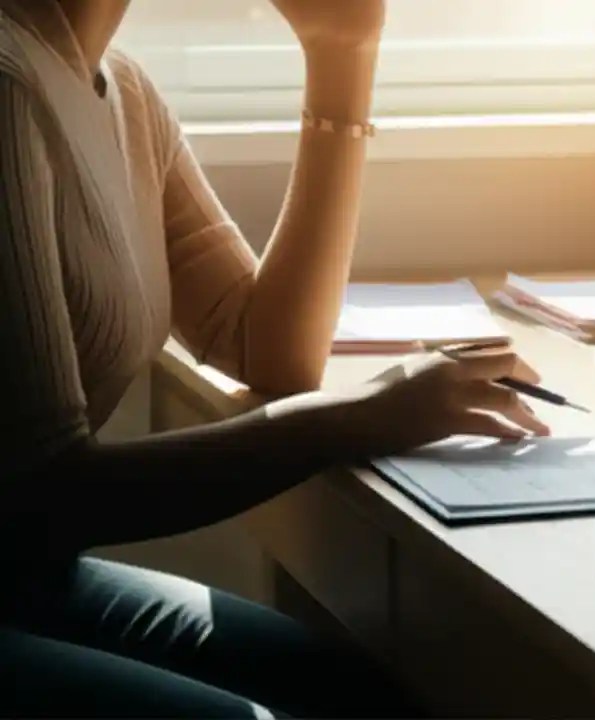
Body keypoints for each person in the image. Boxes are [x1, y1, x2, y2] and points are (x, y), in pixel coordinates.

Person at [0, 0, 551, 716]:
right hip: (25, 565)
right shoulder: (11, 88)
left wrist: (342, 50)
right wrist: (358, 417)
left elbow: (268, 348)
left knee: (363, 694)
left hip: (28, 579)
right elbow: (43, 495)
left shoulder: (120, 89)